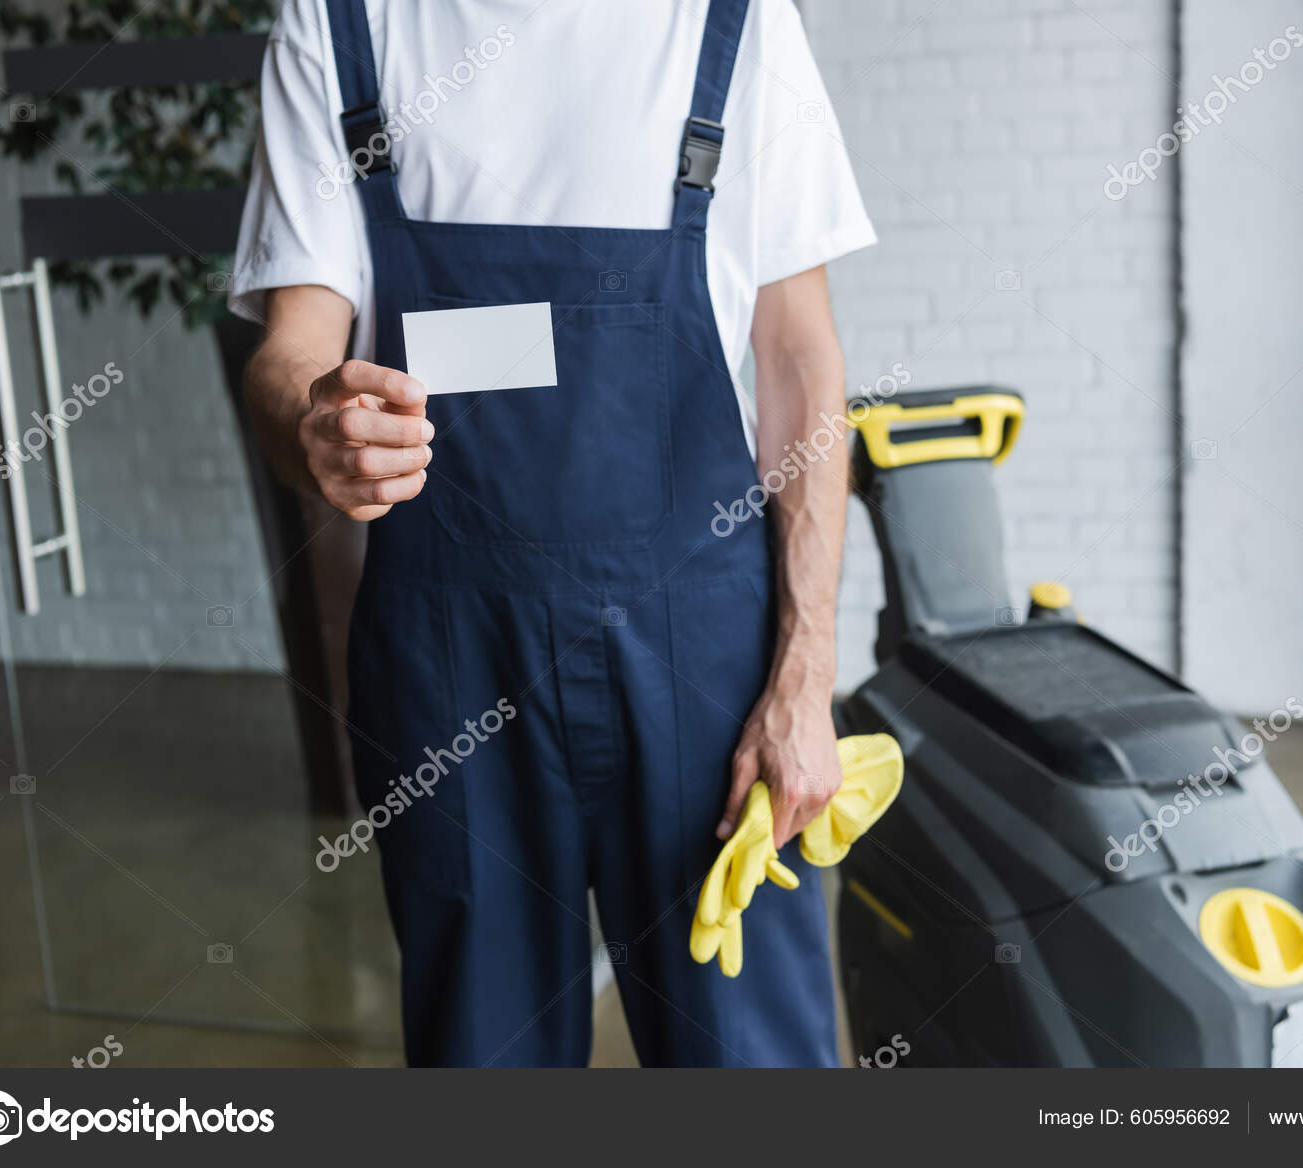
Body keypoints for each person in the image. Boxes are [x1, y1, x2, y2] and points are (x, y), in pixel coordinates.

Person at [231, 0, 875, 1067]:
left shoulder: (733, 21)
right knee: (483, 1055)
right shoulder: (340, 24)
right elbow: (293, 346)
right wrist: (316, 426)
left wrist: (804, 678)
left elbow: (799, 360)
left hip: (707, 658)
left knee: (751, 1055)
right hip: (448, 656)